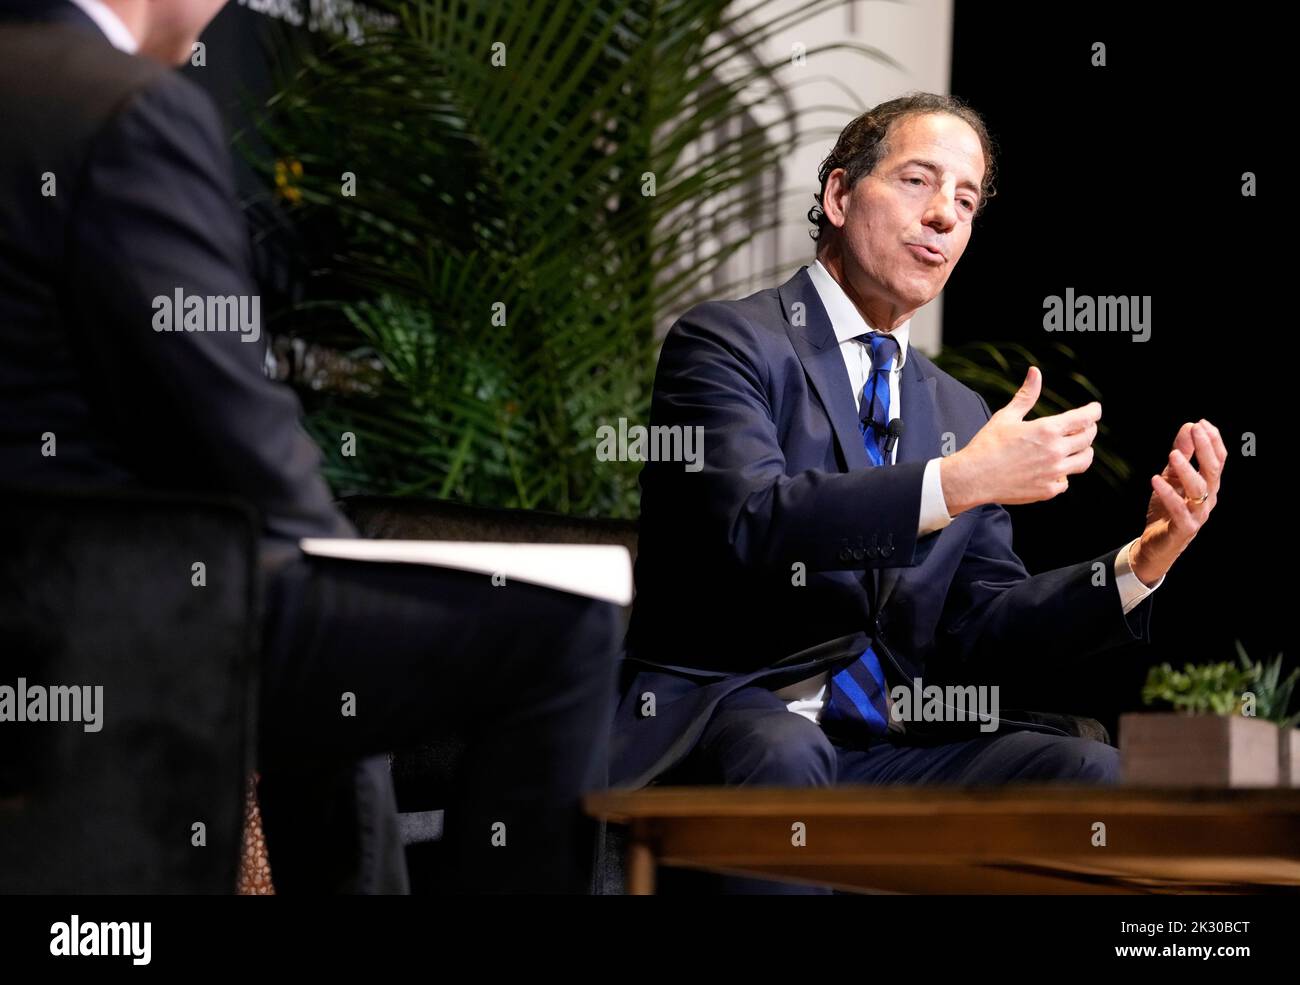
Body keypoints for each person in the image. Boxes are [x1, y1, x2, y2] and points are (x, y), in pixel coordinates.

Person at [0, 0, 619, 893]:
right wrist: (331, 550)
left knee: (335, 677)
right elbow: (230, 424)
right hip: (100, 611)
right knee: (563, 626)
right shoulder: (124, 106)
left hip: (65, 582)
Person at [614, 94, 1225, 890]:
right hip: (736, 714)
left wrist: (1140, 562)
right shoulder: (728, 342)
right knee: (785, 753)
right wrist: (960, 479)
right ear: (838, 196)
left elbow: (979, 627)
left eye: (966, 201)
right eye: (917, 181)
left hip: (888, 741)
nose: (943, 216)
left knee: (1088, 770)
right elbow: (753, 521)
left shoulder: (957, 408)